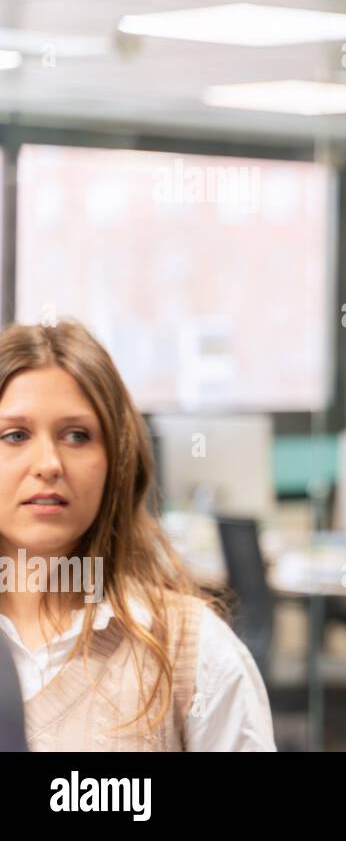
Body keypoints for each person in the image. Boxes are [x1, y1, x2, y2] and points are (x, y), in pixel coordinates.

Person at [0, 319, 275, 751]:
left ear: (117, 461)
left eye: (77, 435)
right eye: (14, 435)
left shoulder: (193, 649)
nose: (49, 463)